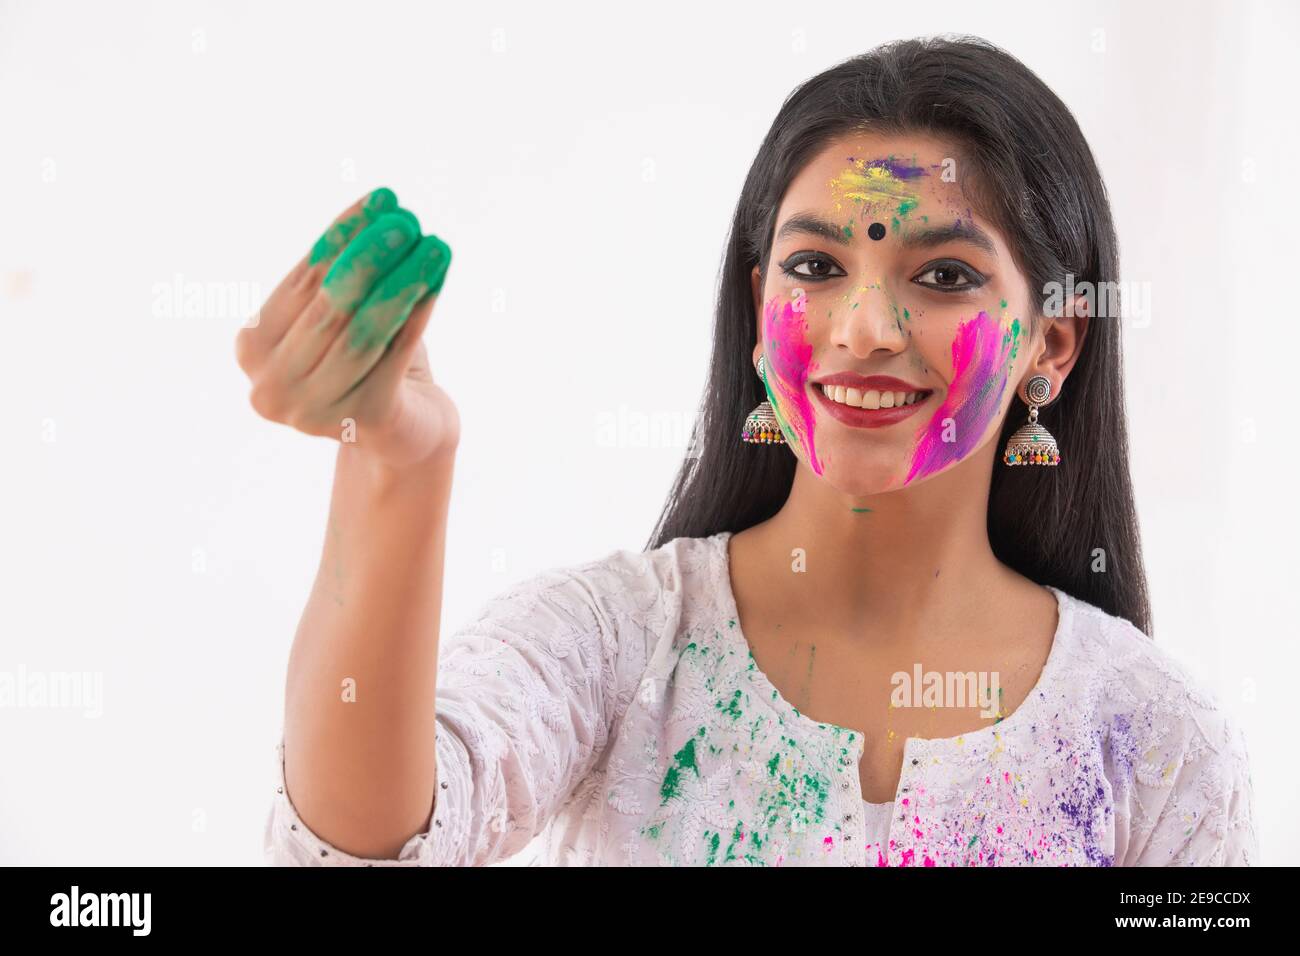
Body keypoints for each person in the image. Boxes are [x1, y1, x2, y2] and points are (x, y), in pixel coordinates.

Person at [240, 34, 1258, 867]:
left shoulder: (1158, 741)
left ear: (1051, 344)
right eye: (815, 265)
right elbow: (356, 849)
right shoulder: (615, 645)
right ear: (759, 301)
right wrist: (397, 466)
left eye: (944, 275)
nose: (863, 327)